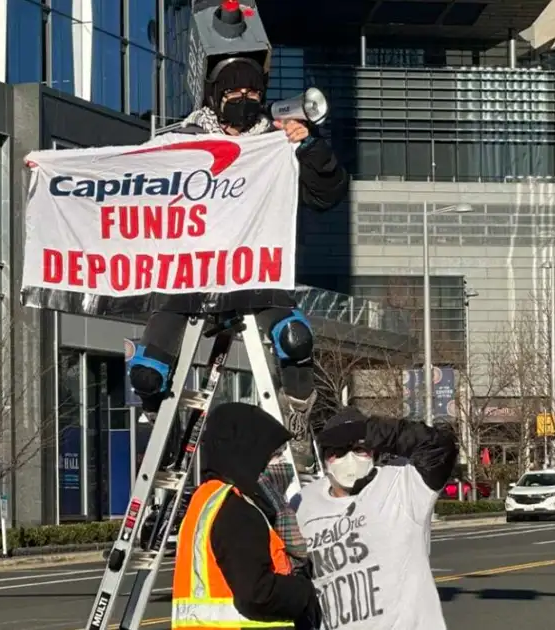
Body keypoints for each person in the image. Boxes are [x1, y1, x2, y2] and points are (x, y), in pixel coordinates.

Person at [126, 49, 351, 415]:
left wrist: (309, 148)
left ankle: (298, 405)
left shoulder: (278, 143)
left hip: (257, 275)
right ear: (216, 97)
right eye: (235, 94)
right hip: (191, 276)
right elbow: (127, 180)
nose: (245, 101)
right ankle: (156, 418)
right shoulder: (182, 141)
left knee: (295, 339)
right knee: (148, 374)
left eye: (253, 94)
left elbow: (327, 195)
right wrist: (60, 172)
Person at [295, 407, 458, 630]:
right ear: (324, 458)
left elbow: (439, 448)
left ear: (374, 452)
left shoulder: (402, 483)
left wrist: (373, 430)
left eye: (359, 449)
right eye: (339, 451)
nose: (348, 458)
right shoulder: (303, 503)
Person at [171, 402, 322, 630]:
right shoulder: (237, 510)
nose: (275, 465)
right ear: (245, 453)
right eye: (269, 456)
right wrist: (304, 592)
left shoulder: (208, 499)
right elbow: (257, 594)